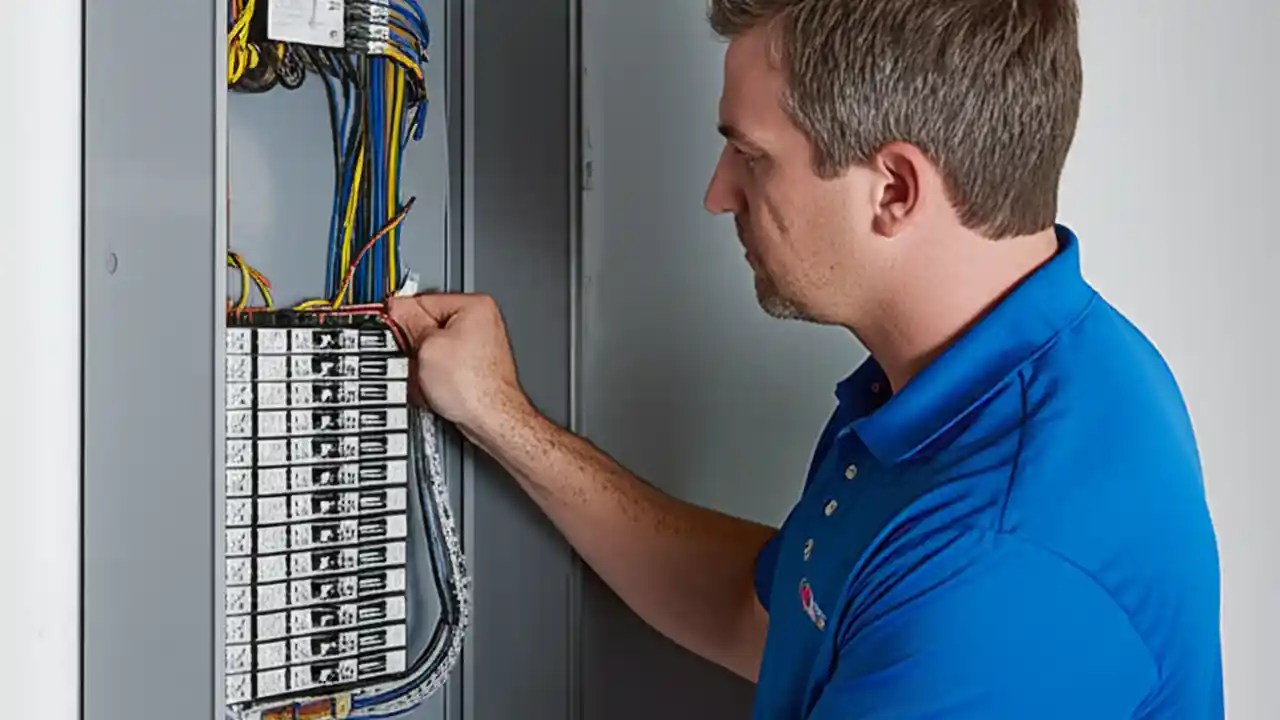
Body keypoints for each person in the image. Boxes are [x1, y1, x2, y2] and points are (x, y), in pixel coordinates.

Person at [388, 0, 1224, 717]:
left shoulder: (1002, 567)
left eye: (752, 156)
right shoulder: (999, 372)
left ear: (894, 190)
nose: (719, 193)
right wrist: (502, 418)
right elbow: (763, 618)